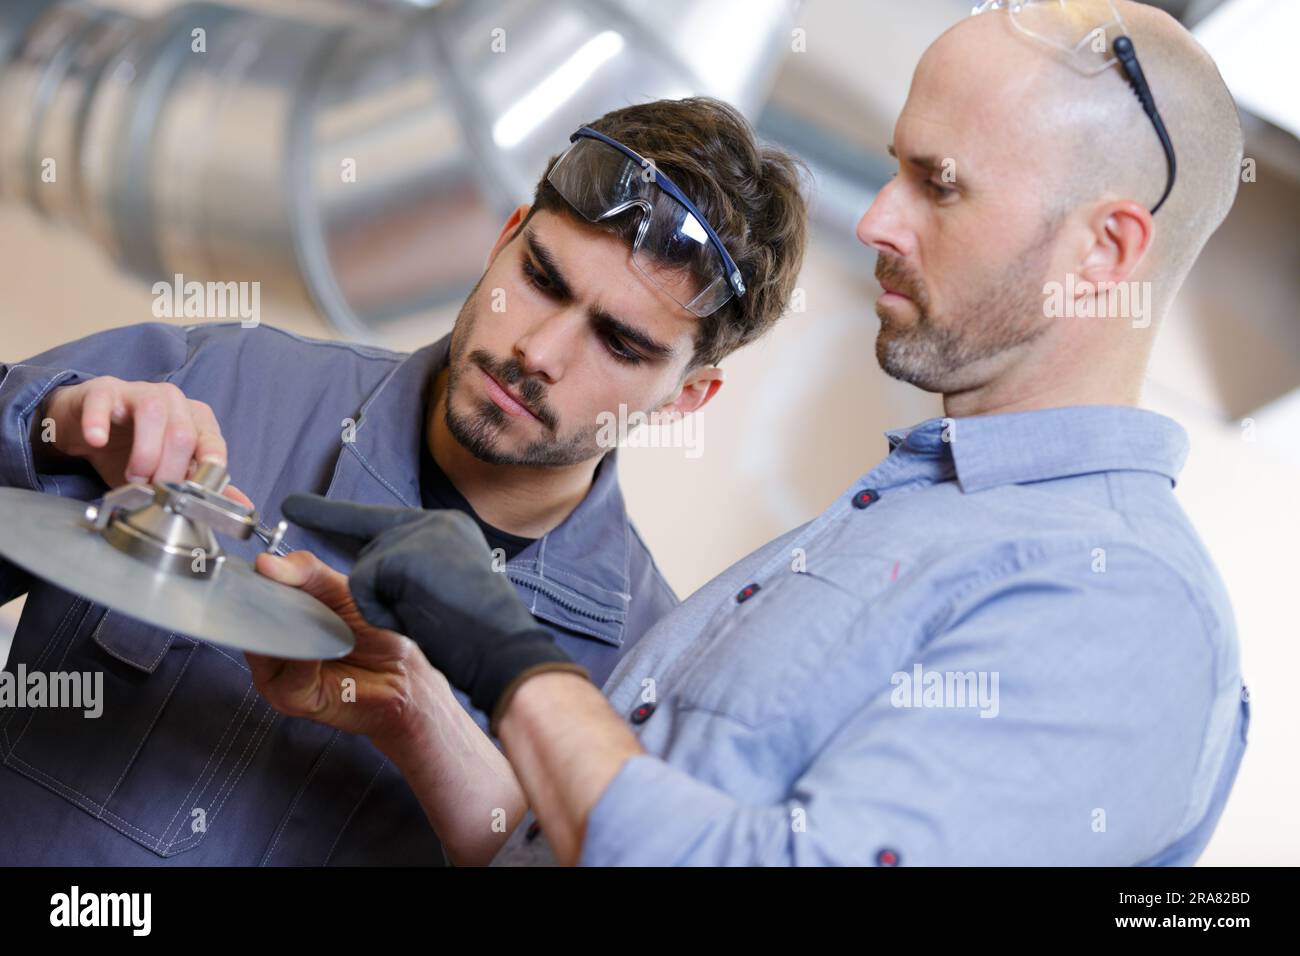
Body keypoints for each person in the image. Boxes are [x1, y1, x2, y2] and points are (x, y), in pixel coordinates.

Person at [251, 0, 1250, 865]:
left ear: (1104, 247)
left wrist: (513, 661)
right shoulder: (903, 518)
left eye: (938, 183)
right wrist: (416, 704)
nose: (876, 222)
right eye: (894, 170)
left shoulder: (1117, 598)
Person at [0, 97, 809, 864]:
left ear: (687, 397)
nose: (540, 352)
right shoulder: (223, 380)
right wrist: (49, 430)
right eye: (541, 279)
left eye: (620, 345)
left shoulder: (639, 680)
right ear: (506, 237)